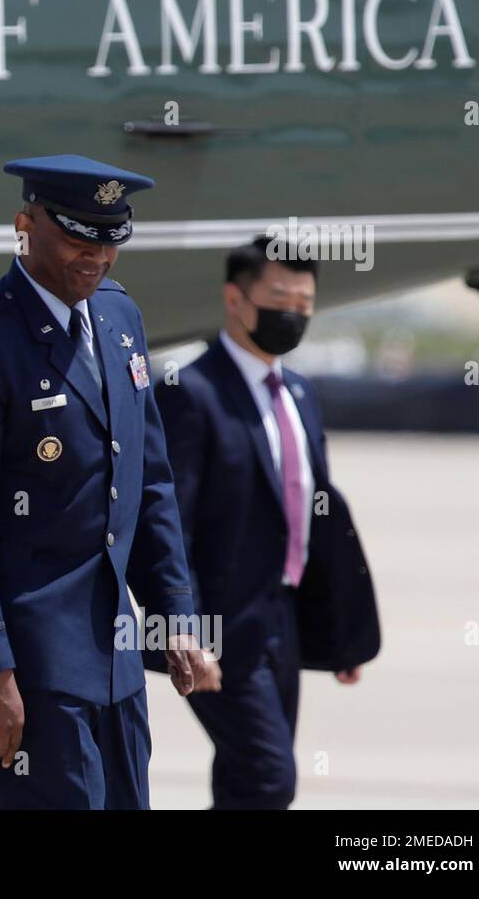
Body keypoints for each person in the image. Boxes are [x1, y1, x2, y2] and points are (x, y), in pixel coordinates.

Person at [0, 155, 207, 809]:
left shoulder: (118, 317)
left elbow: (148, 479)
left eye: (111, 241)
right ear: (25, 225)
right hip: (30, 662)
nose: (96, 258)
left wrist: (175, 614)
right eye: (78, 238)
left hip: (116, 653)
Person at [140, 235, 379, 809]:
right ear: (235, 299)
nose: (292, 313)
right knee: (270, 778)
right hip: (216, 627)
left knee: (247, 784)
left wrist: (340, 633)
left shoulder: (299, 392)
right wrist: (183, 628)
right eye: (279, 297)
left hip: (284, 620)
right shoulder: (194, 394)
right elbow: (171, 523)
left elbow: (313, 521)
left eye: (304, 302)